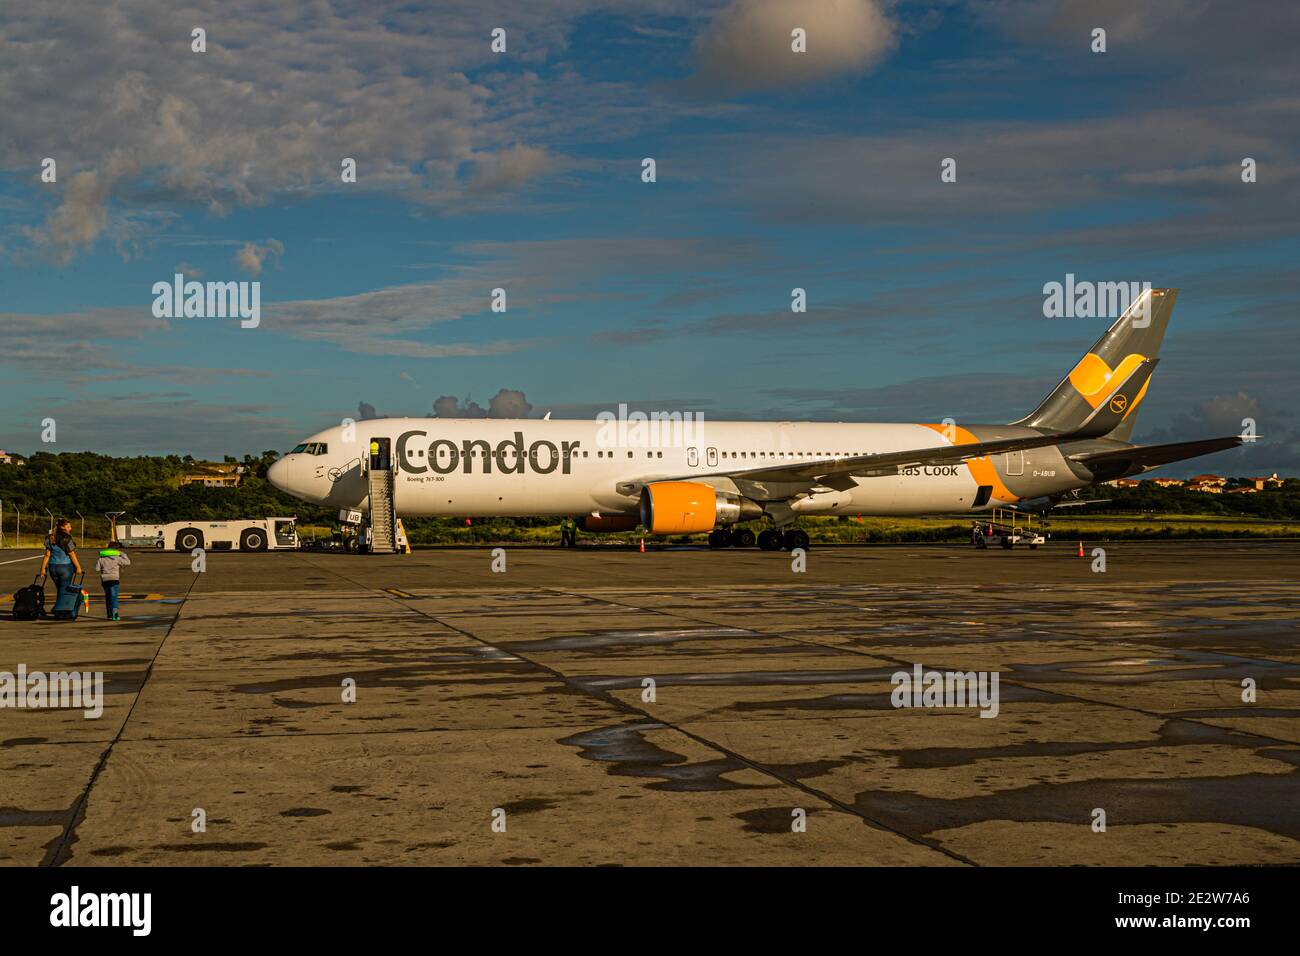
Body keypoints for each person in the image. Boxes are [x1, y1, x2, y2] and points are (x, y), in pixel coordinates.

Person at [40, 518, 82, 600]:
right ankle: (60, 609)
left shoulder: (50, 538)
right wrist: (78, 567)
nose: (70, 528)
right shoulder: (67, 538)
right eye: (68, 526)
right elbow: (71, 553)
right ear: (62, 527)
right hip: (65, 567)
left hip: (52, 567)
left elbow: (47, 555)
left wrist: (42, 569)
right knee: (64, 590)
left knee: (59, 589)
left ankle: (59, 608)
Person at [95, 542, 131, 621]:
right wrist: (122, 554)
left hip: (105, 580)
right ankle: (115, 613)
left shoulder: (101, 558)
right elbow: (128, 562)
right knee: (114, 596)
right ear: (116, 549)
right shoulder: (117, 558)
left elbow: (97, 569)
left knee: (108, 597)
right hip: (114, 579)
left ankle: (109, 614)